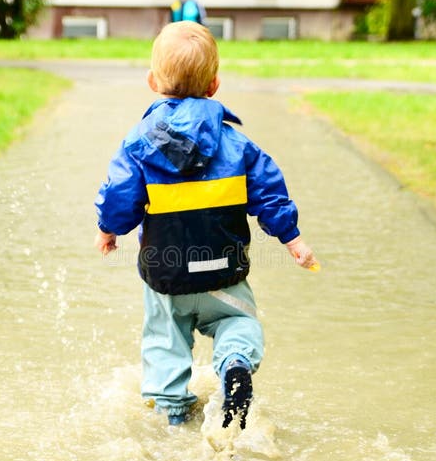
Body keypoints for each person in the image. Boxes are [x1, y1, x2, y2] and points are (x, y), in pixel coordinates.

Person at [94, 21, 317, 428]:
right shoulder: (238, 145)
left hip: (168, 275)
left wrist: (108, 229)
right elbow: (270, 192)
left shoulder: (138, 143)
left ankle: (172, 413)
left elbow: (119, 195)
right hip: (223, 275)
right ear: (214, 85)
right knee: (238, 322)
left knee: (165, 340)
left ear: (152, 82)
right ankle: (234, 362)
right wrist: (293, 239)